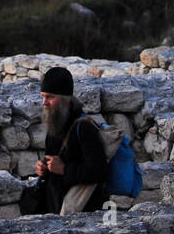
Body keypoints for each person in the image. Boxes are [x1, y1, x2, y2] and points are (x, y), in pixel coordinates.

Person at [19, 66, 108, 216]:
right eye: (43, 96)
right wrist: (44, 168)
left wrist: (64, 169)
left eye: (50, 97)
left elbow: (100, 172)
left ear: (66, 99)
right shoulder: (55, 122)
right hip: (55, 207)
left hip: (82, 211)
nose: (44, 103)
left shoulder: (84, 127)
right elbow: (52, 160)